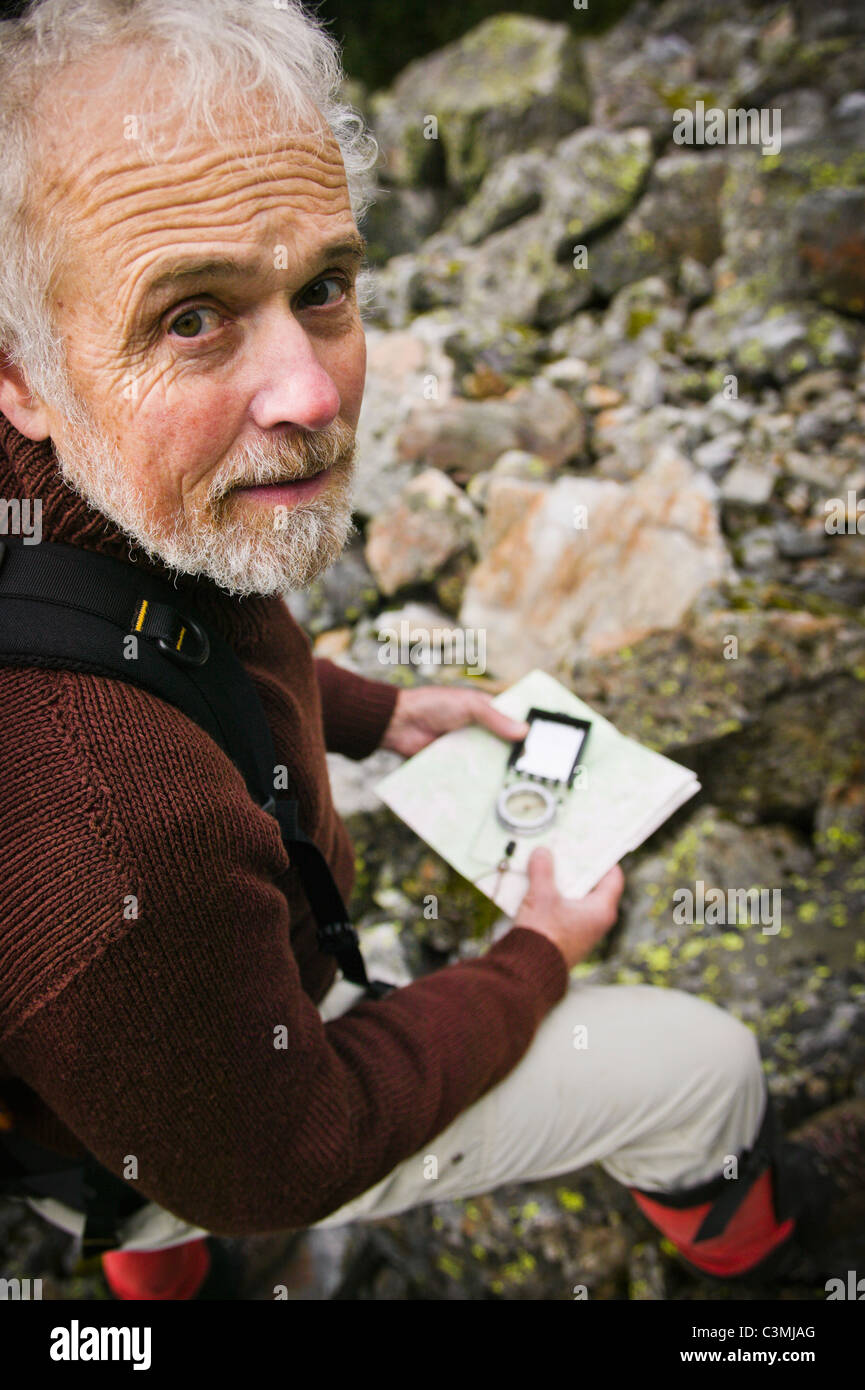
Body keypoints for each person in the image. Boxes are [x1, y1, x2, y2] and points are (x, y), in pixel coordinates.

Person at [0, 0, 859, 1302]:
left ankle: (148, 1272)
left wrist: (372, 710)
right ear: (20, 369)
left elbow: (152, 617)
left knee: (153, 1110)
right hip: (222, 1104)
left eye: (325, 287)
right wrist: (535, 948)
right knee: (700, 1061)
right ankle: (770, 1259)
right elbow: (280, 1156)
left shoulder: (67, 462)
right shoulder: (116, 827)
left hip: (127, 1058)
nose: (313, 392)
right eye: (193, 316)